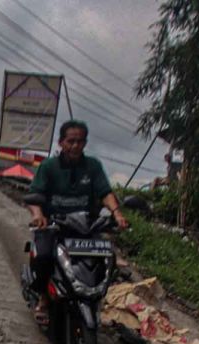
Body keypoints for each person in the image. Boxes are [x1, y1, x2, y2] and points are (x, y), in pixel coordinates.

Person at [26, 119, 129, 325]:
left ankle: (93, 297)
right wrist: (38, 215)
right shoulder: (48, 167)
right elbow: (35, 195)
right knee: (43, 257)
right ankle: (44, 298)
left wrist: (117, 214)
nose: (75, 146)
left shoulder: (93, 166)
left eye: (80, 142)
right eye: (71, 141)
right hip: (54, 226)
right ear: (61, 143)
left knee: (107, 258)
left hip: (85, 227)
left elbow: (105, 193)